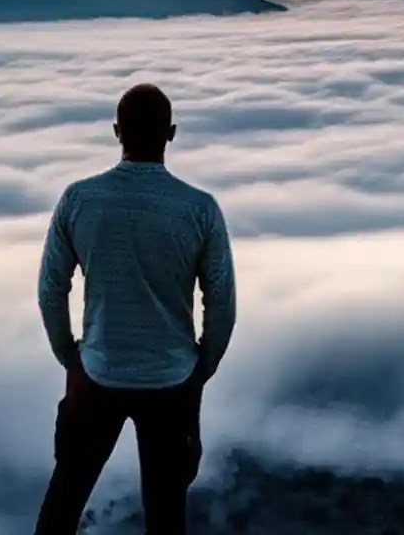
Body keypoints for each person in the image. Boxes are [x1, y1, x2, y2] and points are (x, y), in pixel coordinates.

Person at [34, 83, 237, 534]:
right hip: (172, 379)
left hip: (97, 373)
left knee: (62, 505)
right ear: (172, 133)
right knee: (166, 517)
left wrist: (71, 356)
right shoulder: (200, 210)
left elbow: (51, 290)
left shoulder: (78, 200)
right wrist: (203, 366)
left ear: (116, 132)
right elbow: (221, 302)